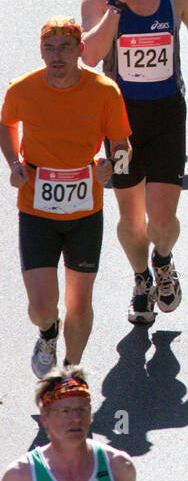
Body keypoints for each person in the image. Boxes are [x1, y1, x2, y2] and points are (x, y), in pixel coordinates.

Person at [80, 0, 188, 324]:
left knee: (162, 219)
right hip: (121, 120)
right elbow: (89, 55)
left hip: (168, 111)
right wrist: (117, 7)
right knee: (130, 217)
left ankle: (164, 260)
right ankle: (141, 280)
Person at [0, 20, 130, 376]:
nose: (57, 56)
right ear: (41, 51)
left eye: (66, 48)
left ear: (80, 51)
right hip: (36, 206)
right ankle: (47, 333)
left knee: (79, 302)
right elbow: (7, 124)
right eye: (50, 48)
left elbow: (122, 145)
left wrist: (113, 166)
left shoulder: (104, 91)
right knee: (42, 306)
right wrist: (14, 163)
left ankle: (71, 373)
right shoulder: (22, 89)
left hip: (86, 209)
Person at [0, 369, 145, 481]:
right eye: (65, 411)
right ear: (45, 417)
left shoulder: (118, 465)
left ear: (90, 414)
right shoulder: (20, 476)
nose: (75, 418)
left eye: (81, 409)